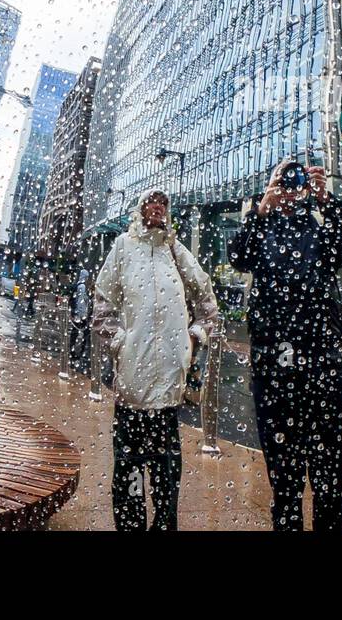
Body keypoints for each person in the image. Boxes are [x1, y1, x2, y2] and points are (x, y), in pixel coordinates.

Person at [229, 157, 342, 531]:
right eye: (282, 183)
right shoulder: (262, 232)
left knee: (331, 486)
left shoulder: (320, 232)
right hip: (275, 377)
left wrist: (327, 201)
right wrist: (261, 209)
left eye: (297, 183)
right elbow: (238, 256)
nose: (290, 191)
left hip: (325, 375)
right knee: (285, 489)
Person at [92, 190, 220, 531]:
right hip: (132, 388)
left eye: (164, 203)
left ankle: (163, 527)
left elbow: (208, 303)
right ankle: (131, 527)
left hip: (168, 390)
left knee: (165, 472)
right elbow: (102, 304)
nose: (158, 208)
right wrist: (122, 343)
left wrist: (192, 338)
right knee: (129, 468)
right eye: (151, 201)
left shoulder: (176, 252)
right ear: (140, 209)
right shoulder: (123, 247)